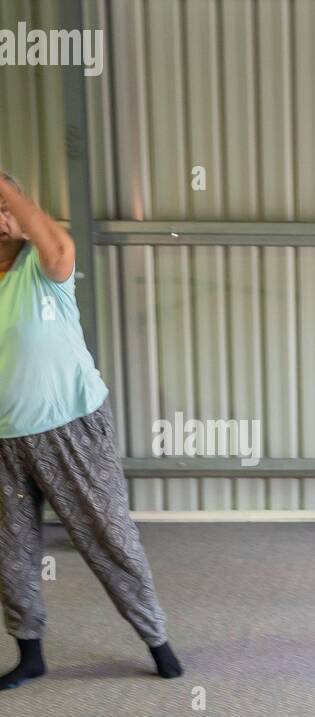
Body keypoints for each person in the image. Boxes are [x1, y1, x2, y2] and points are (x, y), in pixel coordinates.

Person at [0, 170, 181, 689]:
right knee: (12, 553)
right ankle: (29, 652)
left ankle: (156, 640)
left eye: (6, 208)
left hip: (70, 428)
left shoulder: (41, 266)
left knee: (109, 536)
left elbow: (57, 240)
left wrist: (9, 188)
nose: (2, 219)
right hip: (5, 441)